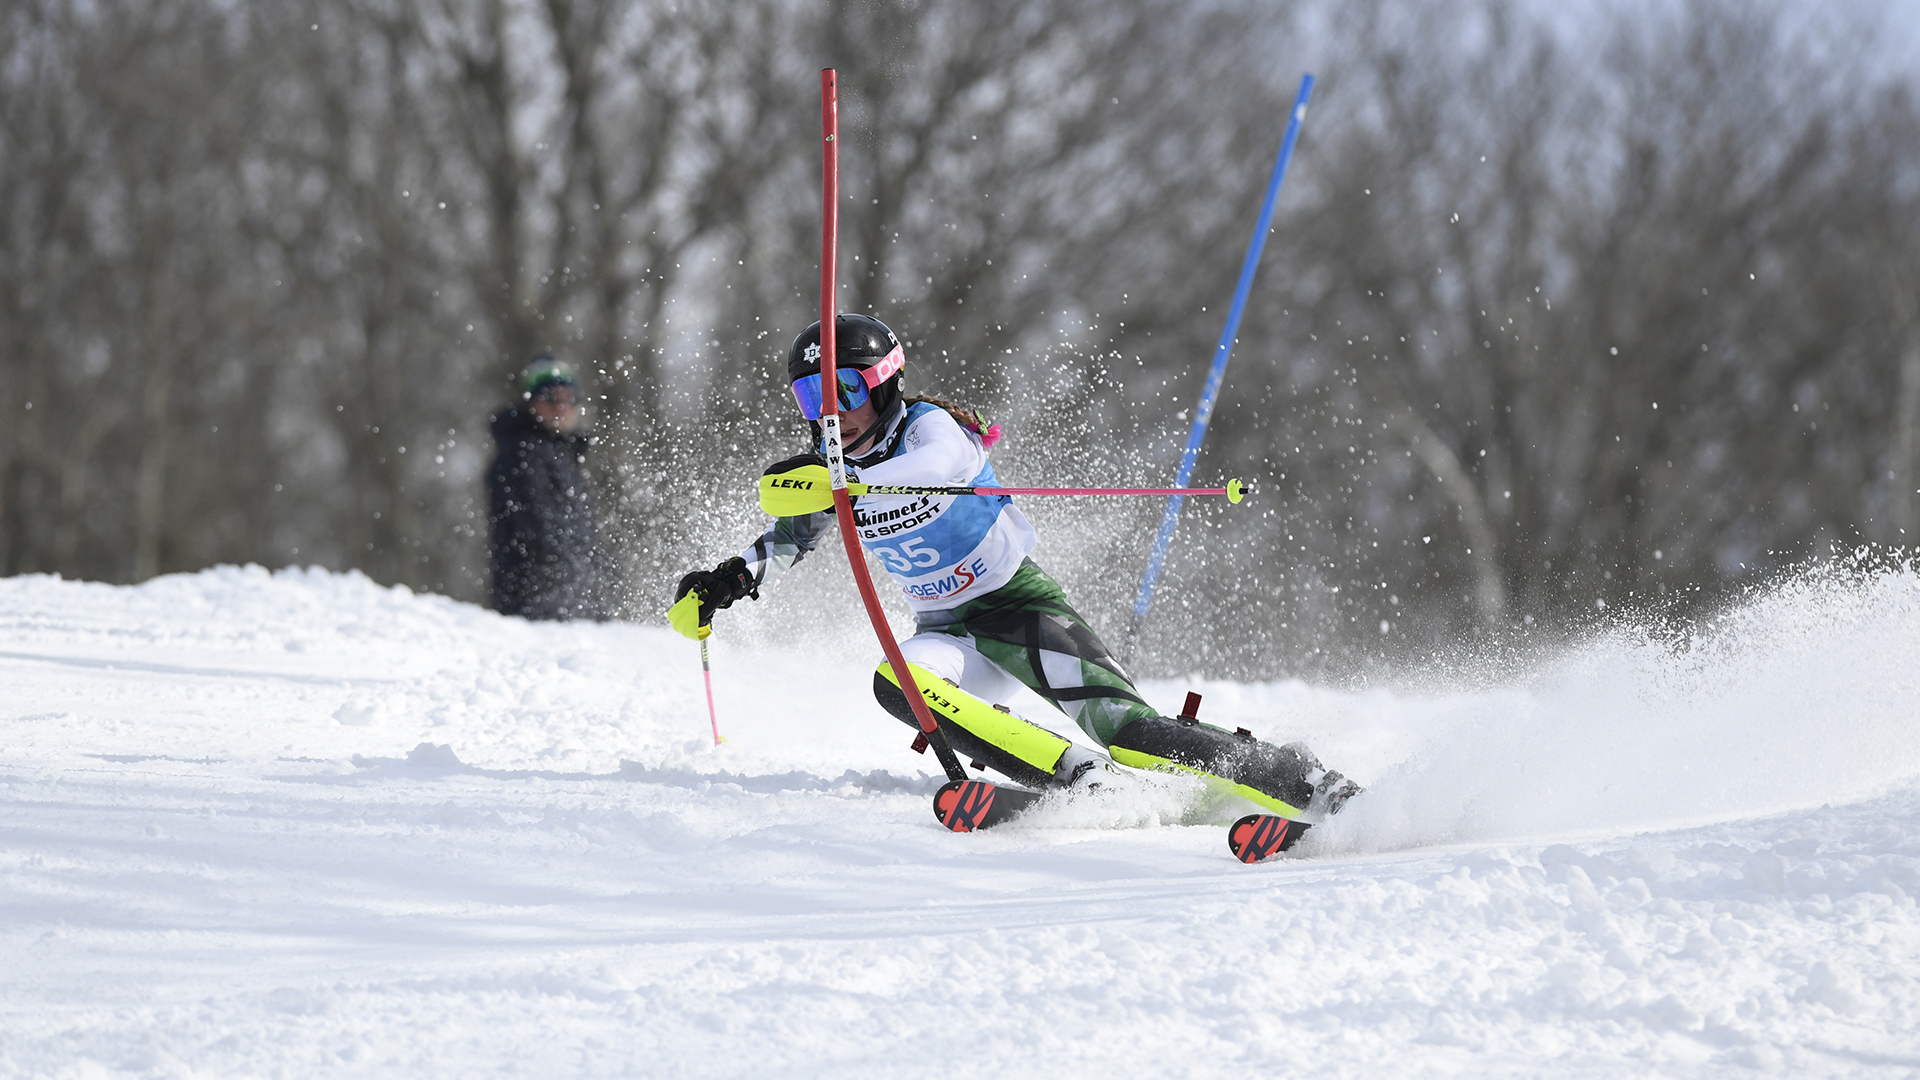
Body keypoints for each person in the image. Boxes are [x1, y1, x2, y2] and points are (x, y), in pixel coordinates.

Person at [670, 315, 1358, 819]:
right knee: (898, 679)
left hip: (1023, 611)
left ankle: (1305, 782)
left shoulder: (928, 429)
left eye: (842, 391)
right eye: (809, 399)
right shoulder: (837, 472)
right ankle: (1082, 778)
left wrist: (842, 482)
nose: (829, 413)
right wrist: (724, 583)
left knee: (1132, 732)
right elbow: (787, 540)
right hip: (953, 632)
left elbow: (940, 469)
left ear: (882, 386)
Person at [488, 354, 603, 621]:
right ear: (532, 402)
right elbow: (542, 531)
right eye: (552, 398)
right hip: (537, 610)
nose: (561, 407)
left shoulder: (561, 453)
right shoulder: (521, 452)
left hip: (573, 603)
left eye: (569, 399)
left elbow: (584, 533)